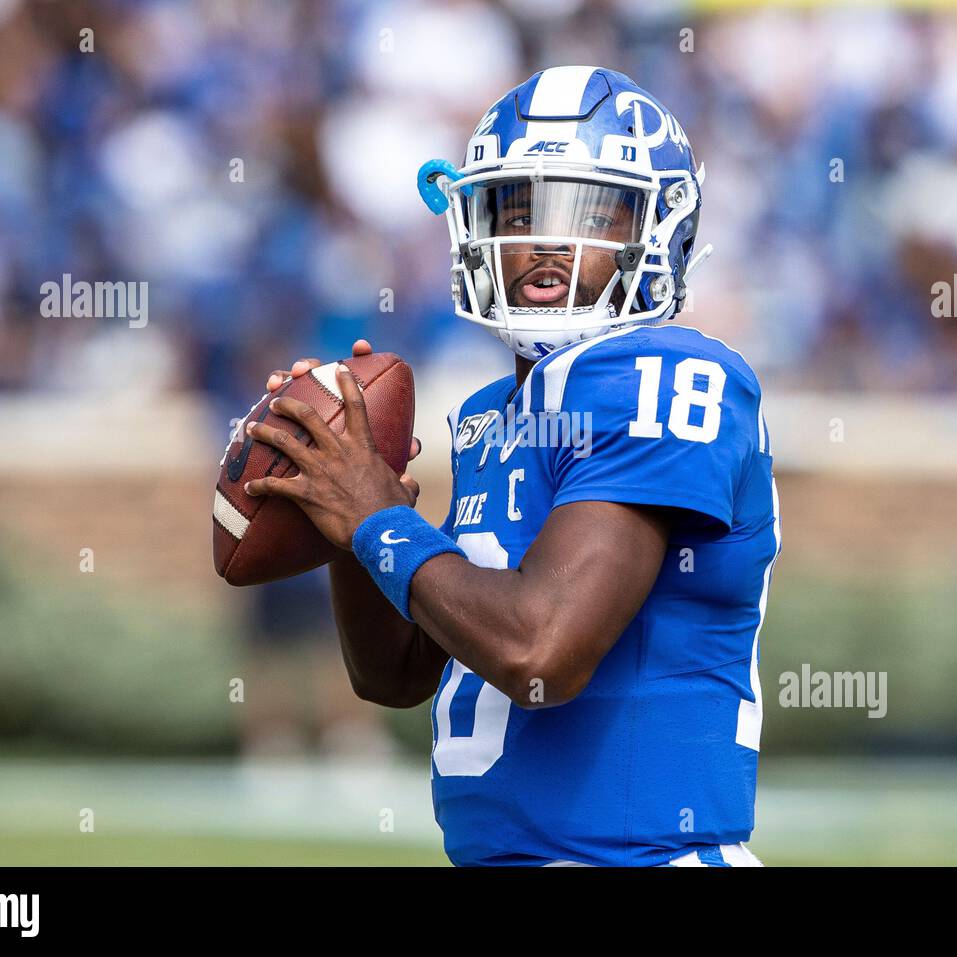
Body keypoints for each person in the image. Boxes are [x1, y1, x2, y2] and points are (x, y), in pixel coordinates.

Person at [246, 67, 780, 866]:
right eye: (516, 208)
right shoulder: (492, 415)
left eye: (586, 210)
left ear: (660, 228)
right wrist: (345, 503)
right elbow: (394, 674)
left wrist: (377, 521)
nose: (541, 240)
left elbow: (542, 652)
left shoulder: (668, 374)